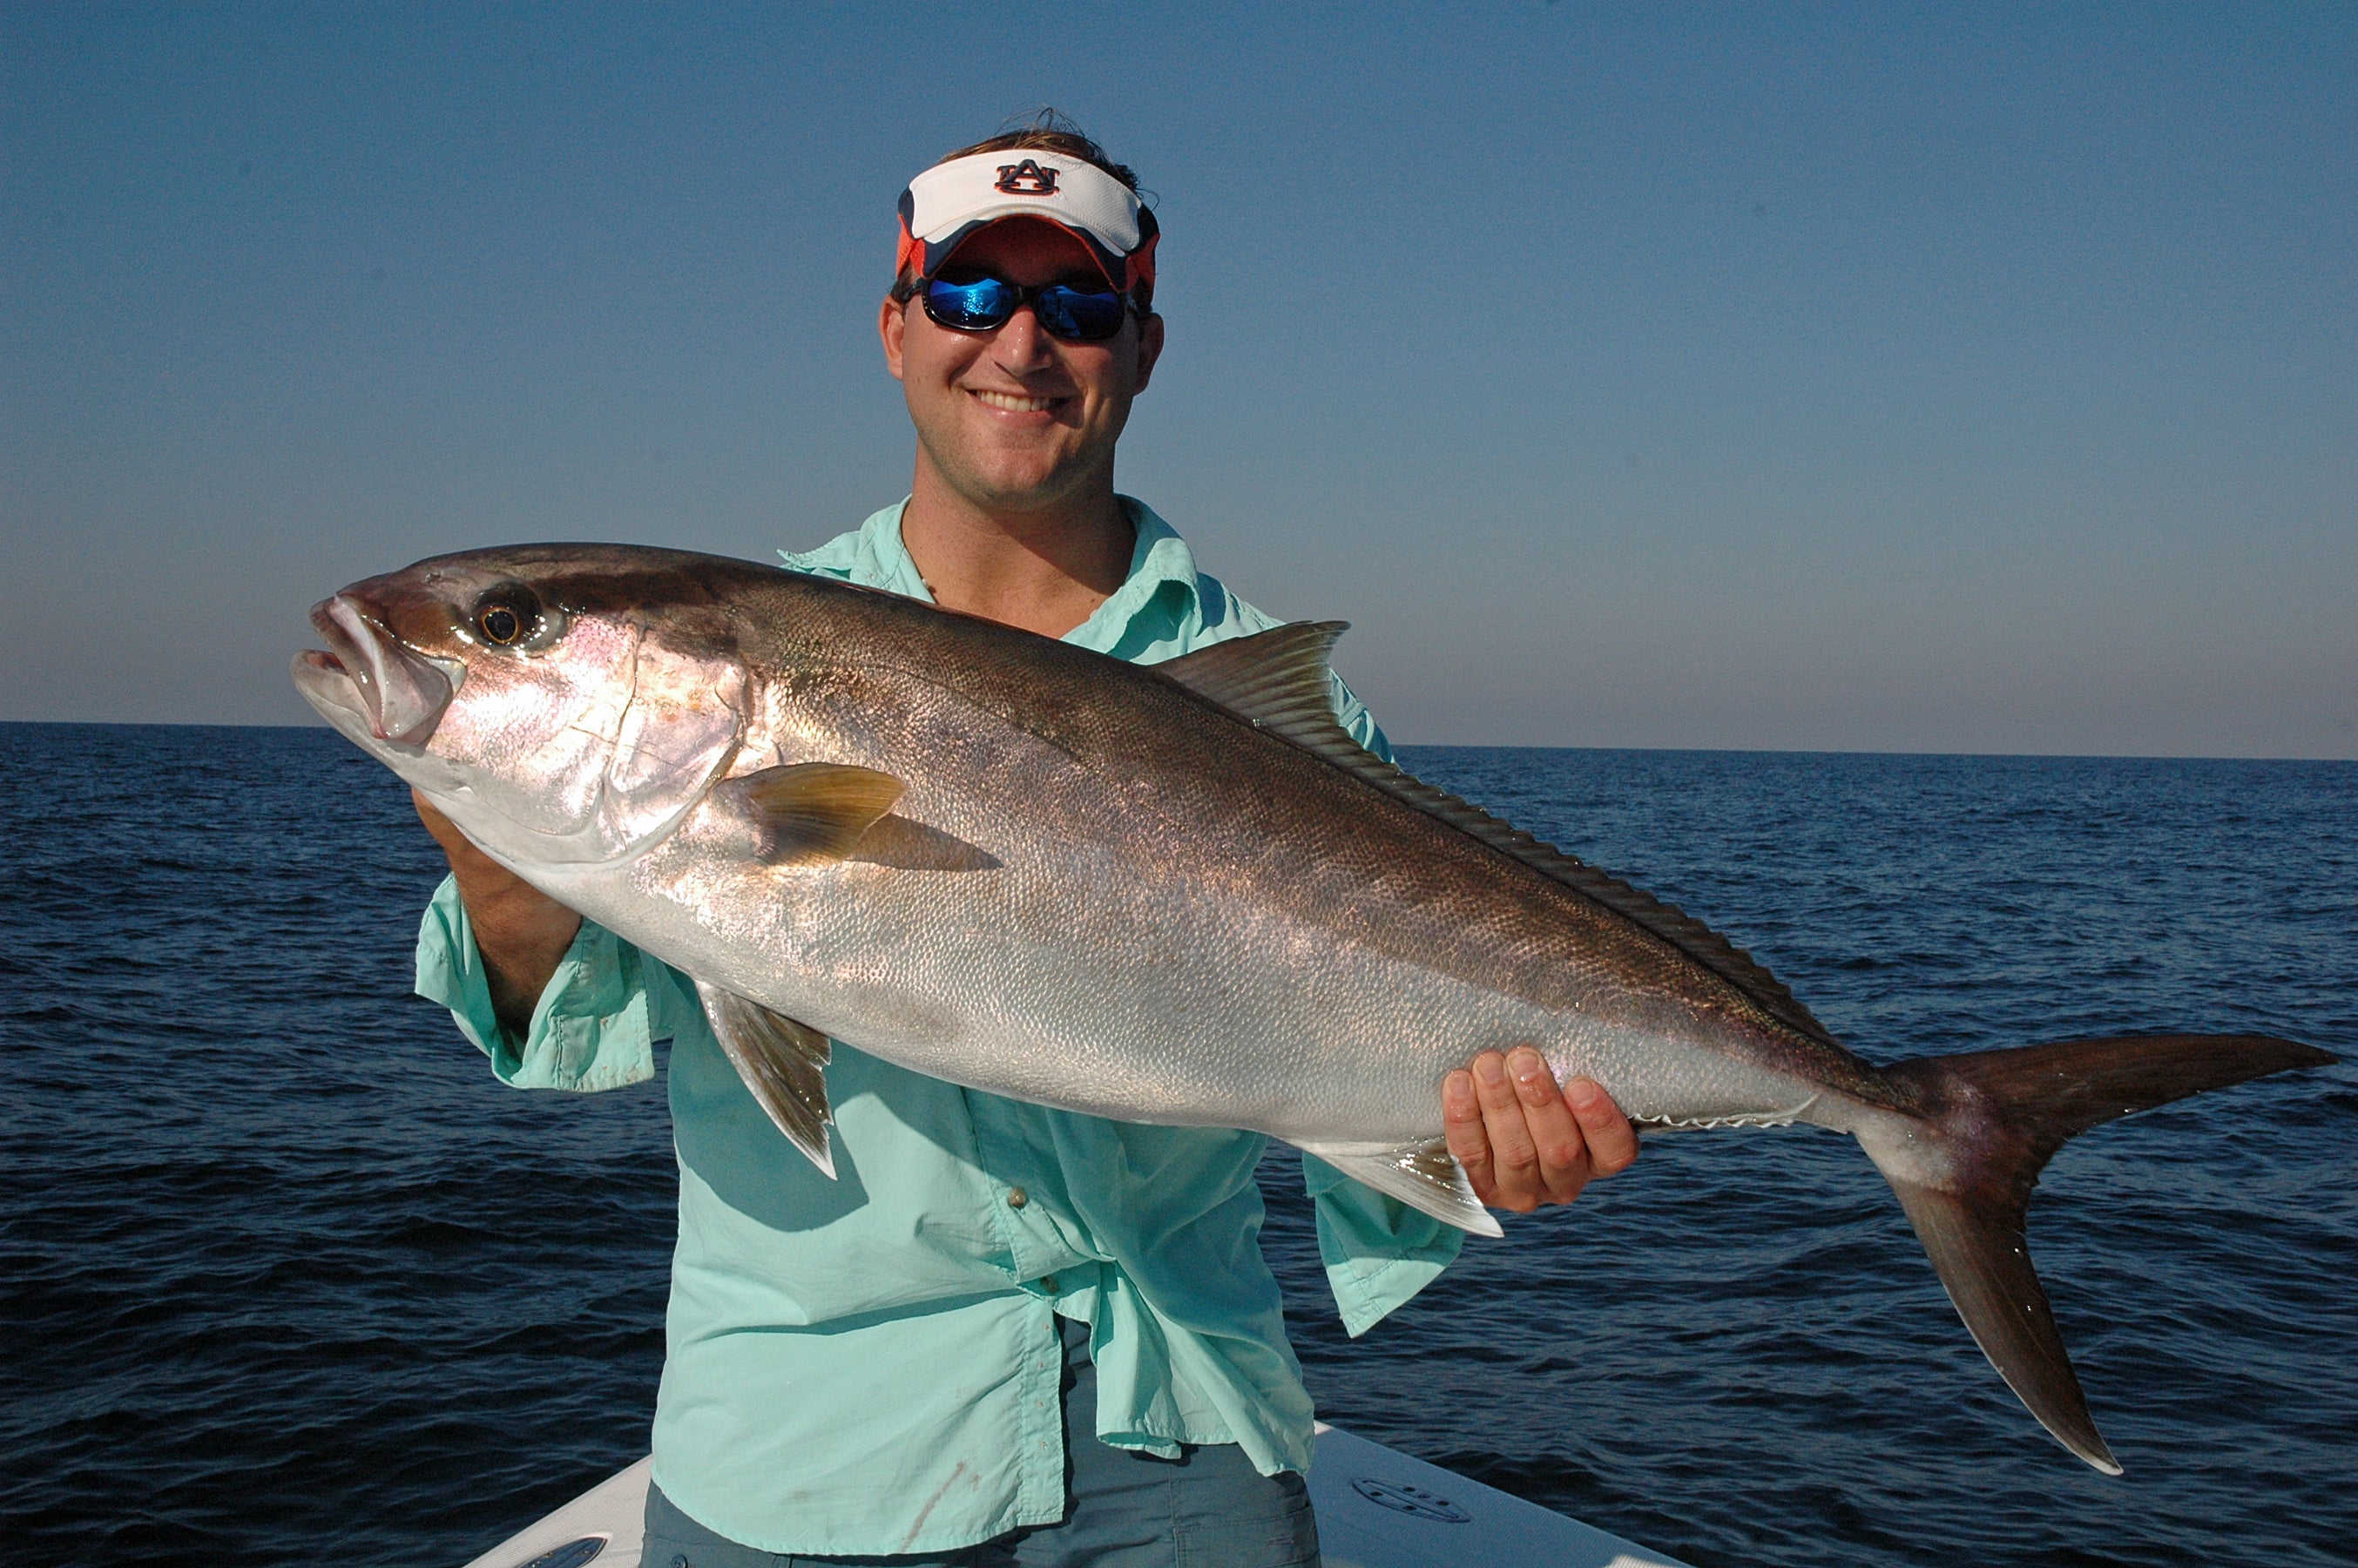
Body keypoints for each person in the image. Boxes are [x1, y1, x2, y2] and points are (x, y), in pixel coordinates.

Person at [412, 118, 1638, 1567]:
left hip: (1181, 1438)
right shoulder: (754, 643)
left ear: (1142, 345)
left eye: (1077, 303)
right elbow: (572, 1021)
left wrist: (1489, 1149)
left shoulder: (1263, 687)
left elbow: (1366, 1069)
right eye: (971, 294)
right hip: (807, 1444)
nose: (1021, 344)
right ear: (895, 325)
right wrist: (509, 878)